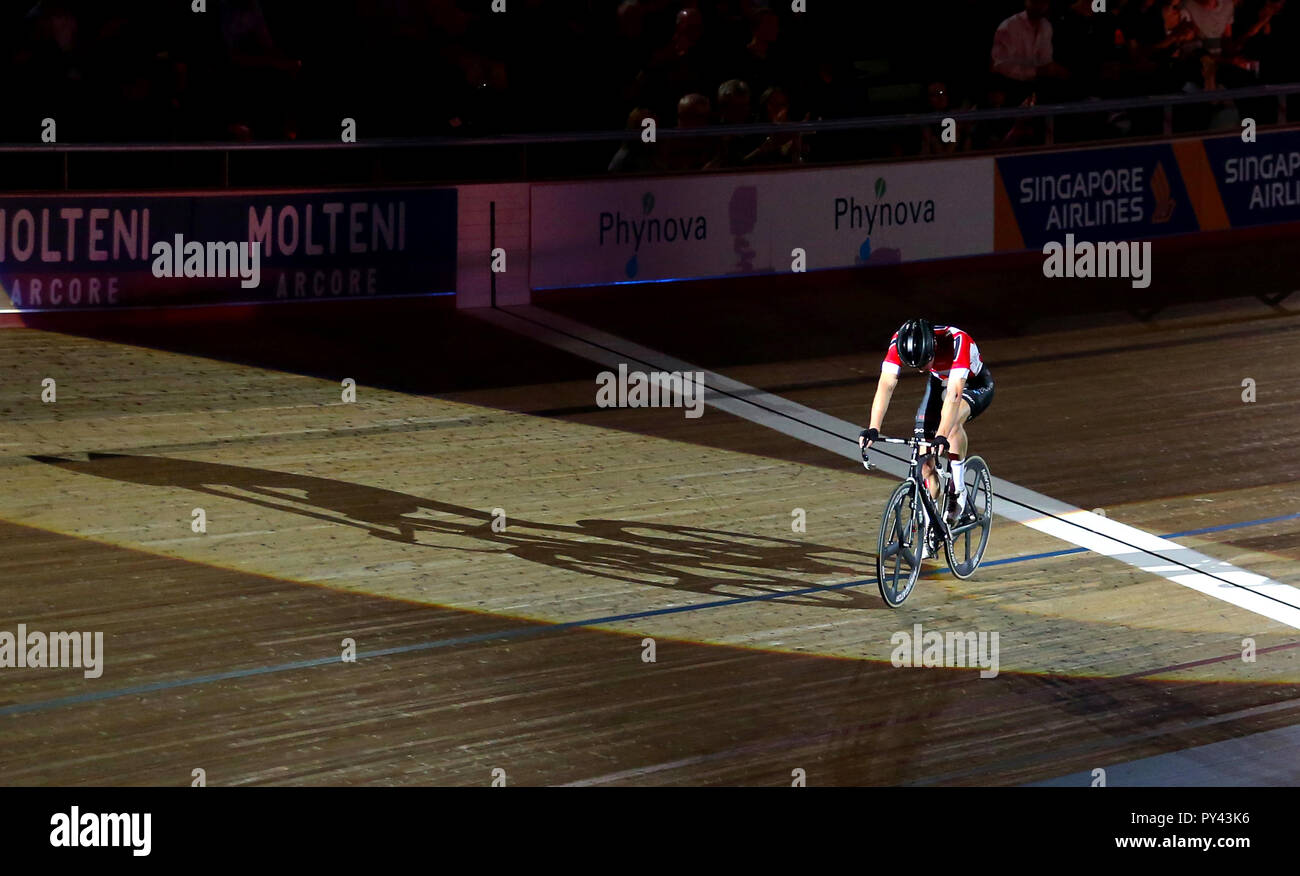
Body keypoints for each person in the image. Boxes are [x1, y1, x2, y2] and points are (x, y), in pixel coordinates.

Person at [859, 319, 995, 539]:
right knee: (924, 464)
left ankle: (958, 490)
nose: (921, 369)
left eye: (925, 362)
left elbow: (953, 395)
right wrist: (873, 427)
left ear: (933, 347)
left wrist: (941, 435)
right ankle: (930, 528)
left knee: (950, 427)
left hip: (973, 385)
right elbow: (886, 384)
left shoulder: (958, 342)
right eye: (915, 366)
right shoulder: (898, 341)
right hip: (939, 382)